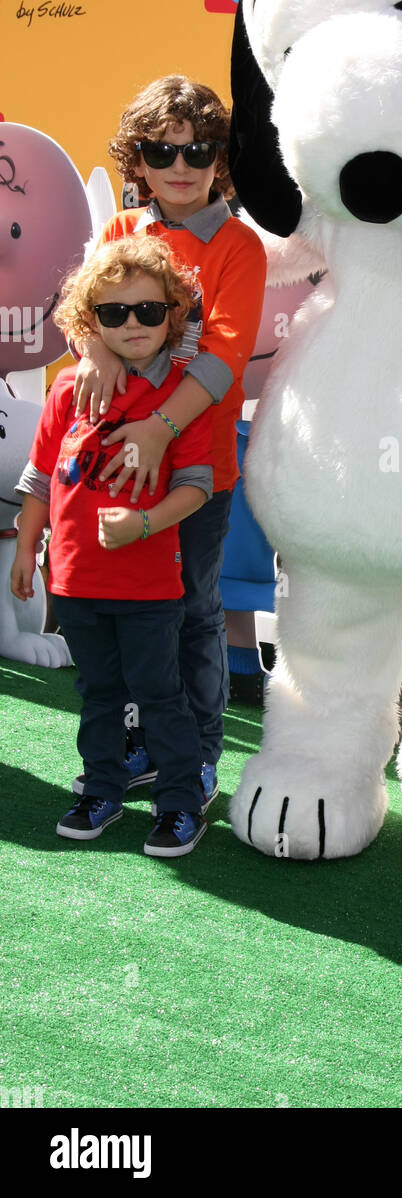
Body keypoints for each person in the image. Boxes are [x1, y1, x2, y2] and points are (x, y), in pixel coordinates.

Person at [68, 76, 267, 805]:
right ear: (137, 160)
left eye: (199, 150)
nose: (180, 164)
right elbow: (81, 311)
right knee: (125, 614)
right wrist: (91, 349)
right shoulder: (122, 233)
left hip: (194, 467)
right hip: (119, 466)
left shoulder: (240, 246)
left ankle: (201, 752)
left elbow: (222, 360)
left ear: (221, 158)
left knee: (190, 609)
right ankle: (145, 739)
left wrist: (159, 427)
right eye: (162, 149)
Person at [11, 236, 214, 856]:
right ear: (89, 320)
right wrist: (26, 549)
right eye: (114, 312)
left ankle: (180, 803)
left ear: (172, 315)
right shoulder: (68, 386)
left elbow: (197, 486)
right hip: (75, 584)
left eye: (148, 311)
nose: (132, 324)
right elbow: (41, 478)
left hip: (149, 588)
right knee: (98, 696)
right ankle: (102, 789)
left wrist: (145, 526)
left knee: (159, 697)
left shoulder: (181, 396)